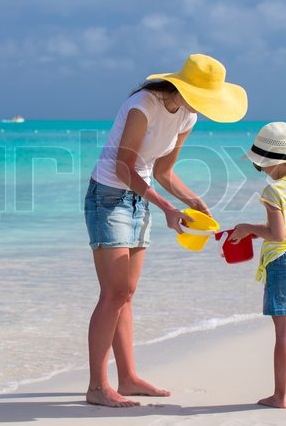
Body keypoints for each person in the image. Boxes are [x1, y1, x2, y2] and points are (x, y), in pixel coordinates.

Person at [84, 54, 248, 407]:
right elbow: (123, 167)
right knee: (112, 293)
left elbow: (162, 171)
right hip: (109, 196)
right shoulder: (143, 105)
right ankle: (97, 386)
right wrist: (169, 210)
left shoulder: (189, 115)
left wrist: (193, 200)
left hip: (140, 198)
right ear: (183, 87)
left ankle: (127, 379)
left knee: (126, 293)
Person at [229, 122, 286, 409]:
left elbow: (277, 234)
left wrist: (247, 228)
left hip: (283, 262)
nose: (262, 170)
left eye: (263, 165)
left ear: (274, 163)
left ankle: (279, 396)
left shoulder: (273, 191)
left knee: (284, 332)